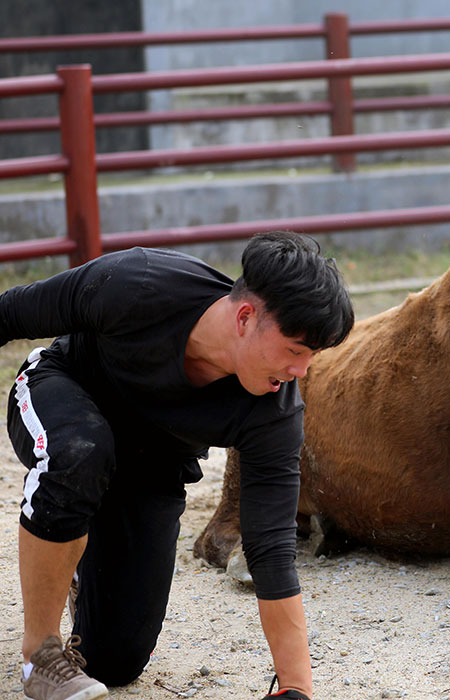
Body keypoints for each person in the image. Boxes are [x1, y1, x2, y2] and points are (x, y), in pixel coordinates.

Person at [0, 231, 354, 700]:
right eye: (296, 350)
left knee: (116, 661)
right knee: (80, 452)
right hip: (63, 393)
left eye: (312, 357)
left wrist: (295, 690)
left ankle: (78, 561)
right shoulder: (137, 285)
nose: (302, 371)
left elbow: (271, 548)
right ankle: (39, 656)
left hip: (150, 466)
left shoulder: (274, 410)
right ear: (246, 317)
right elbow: (10, 312)